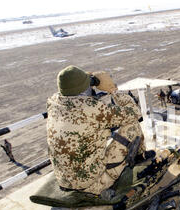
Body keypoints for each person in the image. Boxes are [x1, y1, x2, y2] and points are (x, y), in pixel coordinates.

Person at [46, 65, 148, 197]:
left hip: (65, 181)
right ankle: (141, 158)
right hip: (93, 184)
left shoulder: (53, 103)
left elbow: (72, 91)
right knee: (131, 125)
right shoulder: (93, 108)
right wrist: (112, 90)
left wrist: (85, 79)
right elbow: (135, 112)